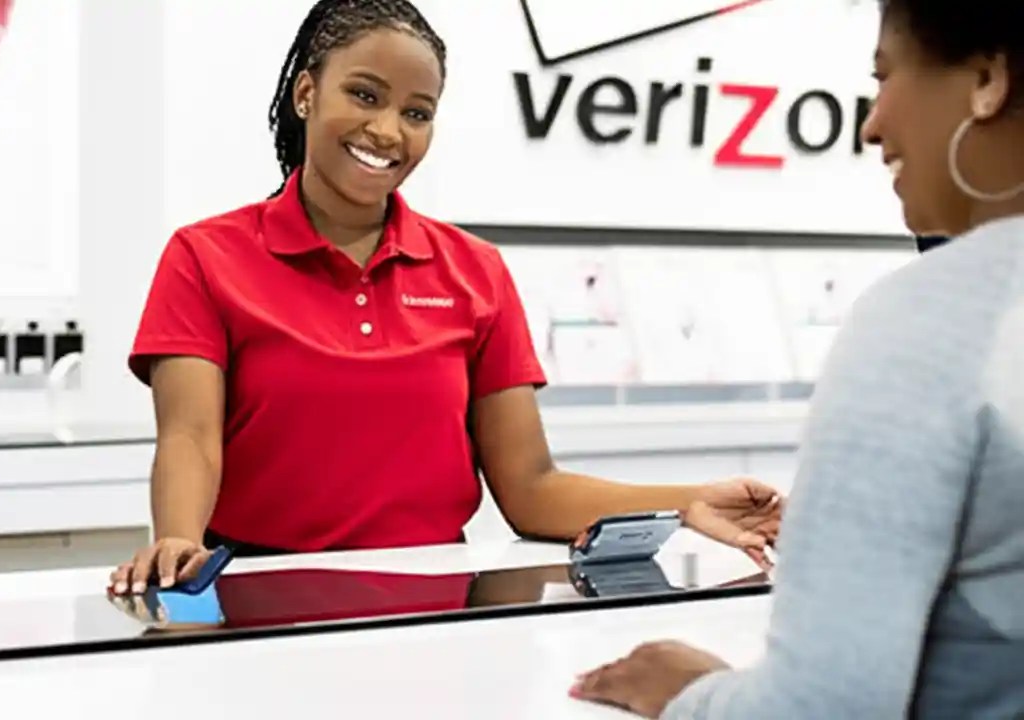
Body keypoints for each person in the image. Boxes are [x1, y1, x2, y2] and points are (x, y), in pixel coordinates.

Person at [110, 0, 782, 594]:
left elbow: (530, 489)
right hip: (258, 595)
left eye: (416, 113)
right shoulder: (204, 256)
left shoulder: (475, 270)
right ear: (306, 93)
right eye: (365, 95)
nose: (388, 131)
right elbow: (191, 439)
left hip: (434, 605)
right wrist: (179, 542)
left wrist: (691, 501)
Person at [571, 1, 1024, 716]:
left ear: (988, 79)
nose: (873, 123)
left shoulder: (925, 321)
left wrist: (689, 693)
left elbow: (822, 708)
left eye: (886, 75)